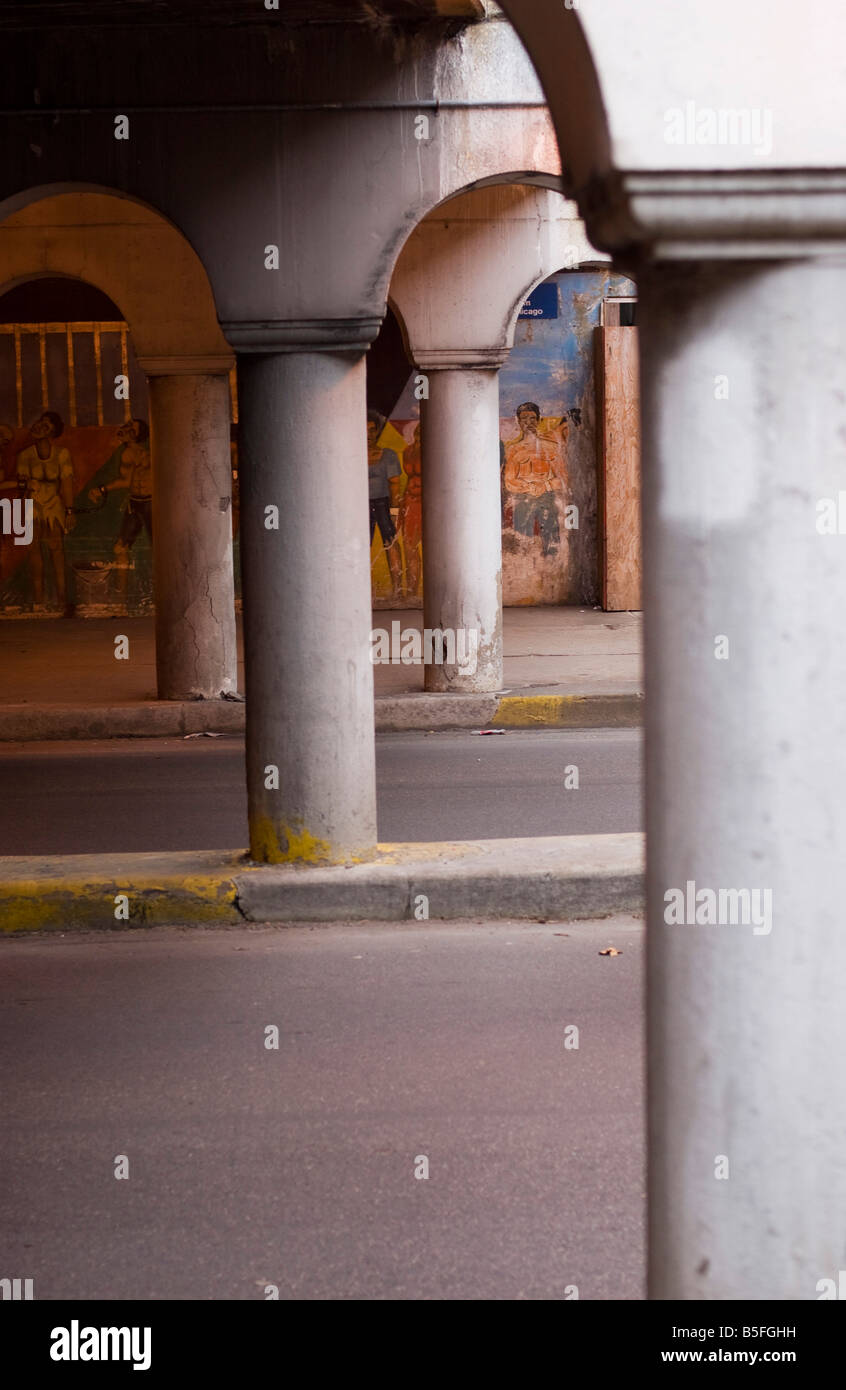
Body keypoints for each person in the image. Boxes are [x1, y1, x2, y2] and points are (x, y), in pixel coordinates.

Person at [16, 410, 75, 611]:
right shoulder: (25, 456)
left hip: (54, 505)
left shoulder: (62, 454)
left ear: (53, 431)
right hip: (32, 505)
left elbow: (66, 483)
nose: (40, 426)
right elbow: (22, 488)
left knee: (56, 549)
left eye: (47, 424)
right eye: (40, 421)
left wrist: (69, 511)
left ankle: (61, 600)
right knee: (34, 550)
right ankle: (39, 602)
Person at [89, 417, 152, 606]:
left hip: (151, 503)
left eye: (132, 429)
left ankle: (161, 594)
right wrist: (102, 489)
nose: (126, 430)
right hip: (135, 502)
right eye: (127, 426)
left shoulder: (143, 453)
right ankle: (121, 597)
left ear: (137, 435)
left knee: (160, 548)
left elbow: (126, 481)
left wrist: (102, 489)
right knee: (120, 548)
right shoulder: (127, 453)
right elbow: (126, 481)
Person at [503, 401, 567, 558]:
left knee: (552, 544)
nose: (528, 423)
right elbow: (509, 481)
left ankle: (552, 568)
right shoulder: (513, 450)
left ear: (539, 420)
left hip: (547, 499)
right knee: (522, 543)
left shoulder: (551, 447)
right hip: (523, 501)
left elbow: (563, 479)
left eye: (532, 418)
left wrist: (545, 485)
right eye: (524, 419)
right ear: (518, 422)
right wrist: (529, 487)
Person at [367, 408, 402, 597]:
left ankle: (398, 589)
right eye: (365, 431)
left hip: (383, 504)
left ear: (378, 431)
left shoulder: (387, 455)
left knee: (391, 543)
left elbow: (394, 486)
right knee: (362, 546)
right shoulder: (351, 456)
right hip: (360, 506)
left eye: (372, 430)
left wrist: (394, 512)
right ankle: (363, 589)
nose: (368, 435)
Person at [397, 421, 422, 598]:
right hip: (409, 500)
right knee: (409, 545)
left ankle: (419, 590)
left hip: (425, 501)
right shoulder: (407, 451)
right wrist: (402, 502)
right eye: (418, 432)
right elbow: (407, 478)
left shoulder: (434, 451)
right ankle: (412, 591)